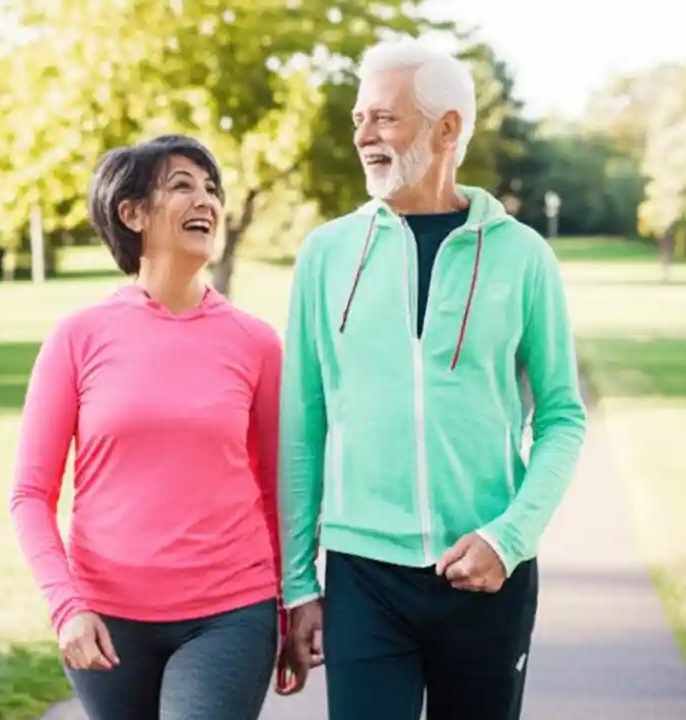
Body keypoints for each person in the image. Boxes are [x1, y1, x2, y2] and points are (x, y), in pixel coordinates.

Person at [277, 38, 587, 719]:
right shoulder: (326, 255)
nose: (364, 135)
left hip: (487, 572)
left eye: (384, 117)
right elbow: (302, 427)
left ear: (447, 128)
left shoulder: (524, 256)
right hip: (363, 575)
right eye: (360, 118)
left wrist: (510, 538)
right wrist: (298, 582)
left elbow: (563, 415)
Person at [9, 134, 295, 720]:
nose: (206, 201)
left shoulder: (256, 343)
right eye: (183, 185)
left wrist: (291, 604)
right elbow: (30, 495)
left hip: (230, 613)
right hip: (109, 619)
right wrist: (66, 606)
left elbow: (278, 491)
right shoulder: (77, 337)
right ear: (132, 212)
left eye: (212, 188)